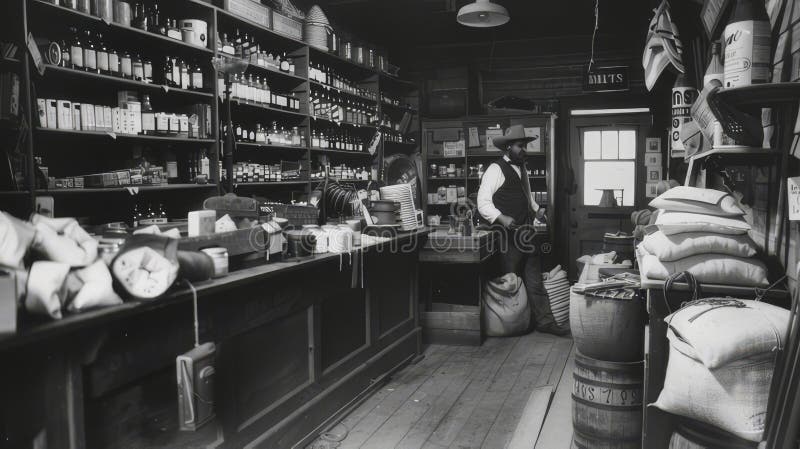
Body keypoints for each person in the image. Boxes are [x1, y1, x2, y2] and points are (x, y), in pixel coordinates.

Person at [476, 124, 569, 336]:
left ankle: (545, 323)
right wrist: (501, 217)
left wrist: (536, 210)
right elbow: (482, 202)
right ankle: (513, 326)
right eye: (520, 146)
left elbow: (526, 195)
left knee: (535, 283)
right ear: (508, 147)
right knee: (510, 285)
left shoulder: (522, 167)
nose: (524, 149)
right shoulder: (495, 169)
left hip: (527, 233)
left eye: (525, 146)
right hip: (507, 238)